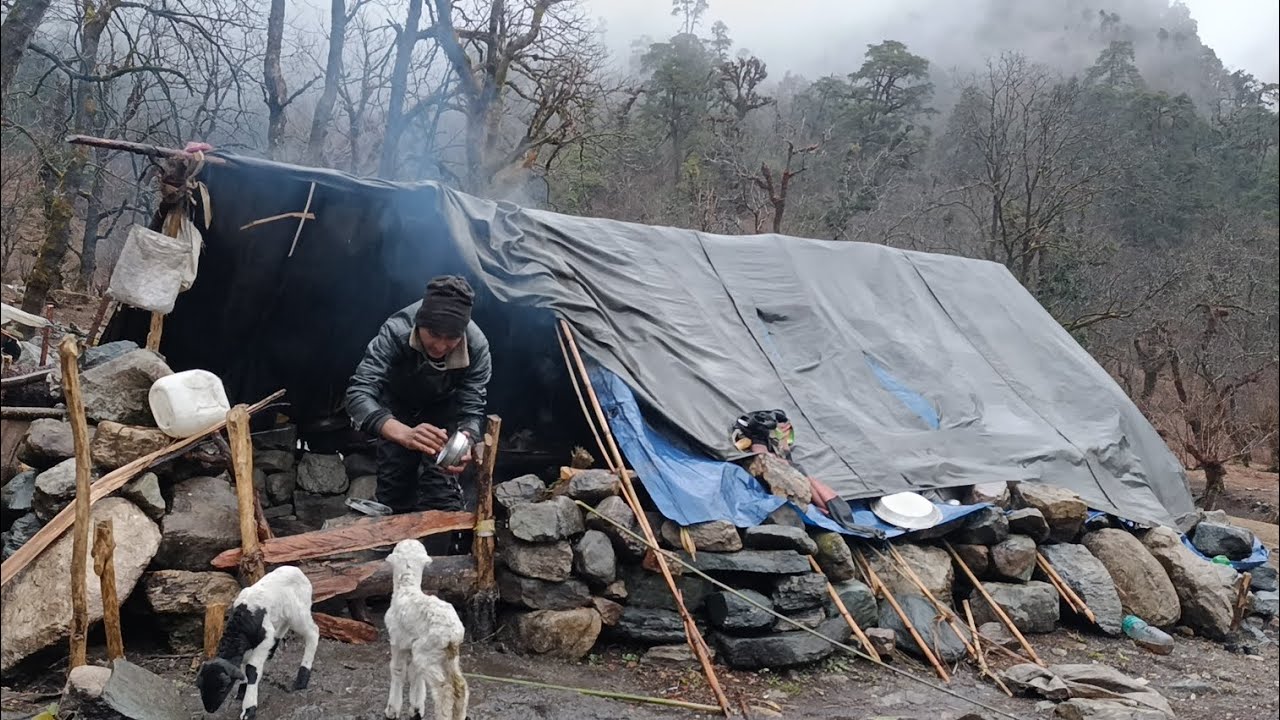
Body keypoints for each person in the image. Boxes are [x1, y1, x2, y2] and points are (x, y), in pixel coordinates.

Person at [345, 275, 492, 515]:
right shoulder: (396, 331)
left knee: (442, 488)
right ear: (420, 323)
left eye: (451, 338)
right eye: (433, 334)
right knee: (394, 484)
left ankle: (443, 546)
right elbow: (358, 393)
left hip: (445, 410)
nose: (440, 346)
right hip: (397, 406)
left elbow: (472, 408)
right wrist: (403, 433)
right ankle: (396, 548)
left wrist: (466, 440)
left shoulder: (477, 346)